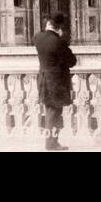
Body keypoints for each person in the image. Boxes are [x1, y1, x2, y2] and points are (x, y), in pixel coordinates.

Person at [34, 12, 78, 150]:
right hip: (56, 82)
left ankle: (52, 142)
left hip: (43, 79)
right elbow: (72, 61)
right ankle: (51, 143)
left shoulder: (37, 37)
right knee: (54, 112)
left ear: (48, 23)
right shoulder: (58, 42)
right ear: (59, 27)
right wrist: (61, 40)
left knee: (49, 111)